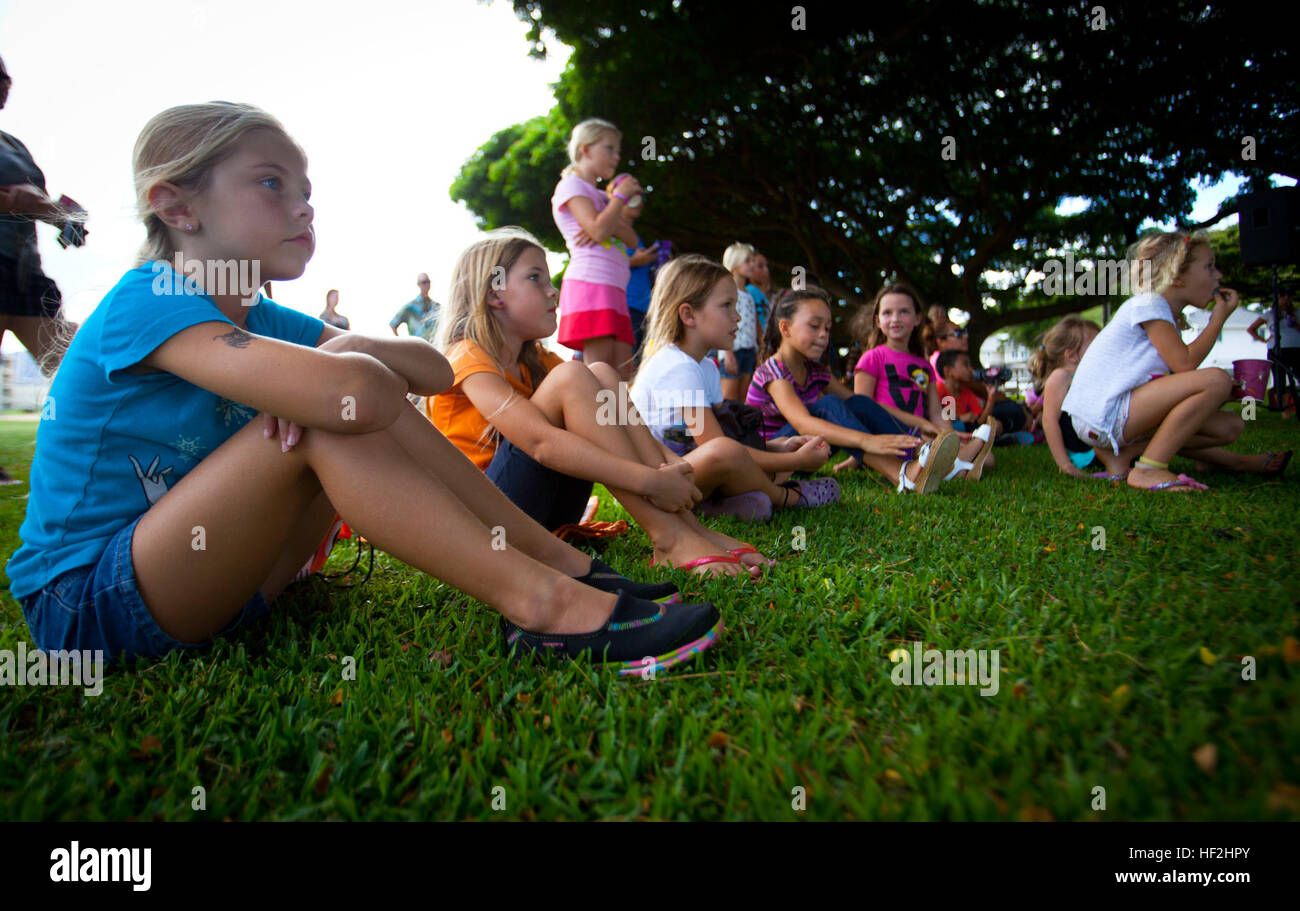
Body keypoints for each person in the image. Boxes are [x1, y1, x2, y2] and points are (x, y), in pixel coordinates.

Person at [6, 102, 721, 676]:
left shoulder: (258, 312)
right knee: (328, 416)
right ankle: (546, 606)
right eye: (270, 183)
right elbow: (368, 397)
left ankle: (559, 560)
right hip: (85, 608)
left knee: (333, 401)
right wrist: (327, 383)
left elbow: (433, 371)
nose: (303, 207)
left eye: (305, 191)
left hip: (222, 583)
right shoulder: (150, 297)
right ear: (178, 206)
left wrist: (337, 354)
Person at [428, 227, 774, 578]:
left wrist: (665, 462)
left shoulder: (538, 361)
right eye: (535, 278)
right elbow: (540, 443)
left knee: (602, 374)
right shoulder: (467, 355)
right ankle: (669, 537)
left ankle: (688, 528)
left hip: (546, 510)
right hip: (485, 523)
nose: (553, 291)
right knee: (576, 377)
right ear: (493, 294)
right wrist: (647, 481)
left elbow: (605, 409)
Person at [1061, 231, 1291, 492]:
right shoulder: (1149, 304)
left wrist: (1223, 395)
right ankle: (1148, 469)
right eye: (1209, 266)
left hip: (1113, 416)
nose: (1219, 275)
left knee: (1230, 427)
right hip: (1106, 414)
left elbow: (1173, 383)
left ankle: (1127, 455)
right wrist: (1219, 318)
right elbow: (1185, 364)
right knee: (1216, 379)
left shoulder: (1161, 313)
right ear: (1178, 276)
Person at [631, 254, 838, 517]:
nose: (737, 318)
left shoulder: (705, 366)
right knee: (727, 453)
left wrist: (778, 447)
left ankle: (710, 506)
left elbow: (727, 433)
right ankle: (787, 497)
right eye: (727, 306)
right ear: (688, 315)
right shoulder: (677, 366)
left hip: (691, 468)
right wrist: (795, 461)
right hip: (659, 483)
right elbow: (718, 448)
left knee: (757, 494)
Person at [748, 285, 964, 493]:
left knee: (858, 403)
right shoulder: (773, 372)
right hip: (776, 458)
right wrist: (868, 441)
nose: (824, 334)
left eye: (827, 328)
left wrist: (922, 424)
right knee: (828, 405)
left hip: (808, 451)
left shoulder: (814, 369)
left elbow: (862, 404)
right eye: (814, 326)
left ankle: (920, 450)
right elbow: (803, 424)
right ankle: (901, 473)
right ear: (785, 328)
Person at [0, 53, 82, 485]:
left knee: (75, 368)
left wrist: (68, 220)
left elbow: (40, 202)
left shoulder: (13, 144)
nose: (4, 84)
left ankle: (90, 453)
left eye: (6, 77)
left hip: (26, 270)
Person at [850, 283, 998, 482]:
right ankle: (952, 464)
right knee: (943, 450)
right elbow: (863, 409)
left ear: (917, 318)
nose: (895, 319)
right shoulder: (872, 358)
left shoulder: (924, 365)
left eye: (904, 312)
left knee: (989, 459)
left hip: (922, 433)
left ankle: (953, 464)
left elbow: (937, 412)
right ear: (877, 320)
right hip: (888, 435)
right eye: (887, 313)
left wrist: (950, 437)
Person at [551, 118, 640, 380]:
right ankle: (597, 421)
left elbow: (632, 239)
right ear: (585, 149)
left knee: (624, 371)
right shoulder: (571, 186)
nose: (616, 156)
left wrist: (607, 215)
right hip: (592, 283)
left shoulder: (601, 196)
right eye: (609, 148)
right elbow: (599, 230)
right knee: (600, 370)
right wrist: (619, 200)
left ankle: (621, 422)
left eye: (617, 150)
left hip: (613, 287)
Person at [1028, 317, 1143, 479]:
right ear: (1072, 355)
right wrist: (1065, 464)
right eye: (1096, 345)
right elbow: (1049, 421)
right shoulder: (1061, 376)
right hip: (1086, 453)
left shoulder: (1092, 375)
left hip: (1102, 443)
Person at [610, 176, 657, 358]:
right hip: (623, 307)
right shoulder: (609, 230)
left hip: (641, 308)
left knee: (634, 366)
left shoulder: (634, 236)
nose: (639, 202)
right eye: (633, 196)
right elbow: (604, 264)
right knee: (623, 366)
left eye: (641, 197)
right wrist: (636, 261)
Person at [716, 242, 761, 402]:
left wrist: (759, 349)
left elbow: (754, 323)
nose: (752, 265)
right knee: (729, 397)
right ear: (734, 264)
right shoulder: (726, 290)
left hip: (749, 350)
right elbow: (721, 320)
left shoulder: (748, 294)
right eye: (747, 261)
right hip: (733, 349)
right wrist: (727, 352)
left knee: (744, 398)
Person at [1247, 284, 1300, 384]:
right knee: (1279, 380)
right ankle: (1281, 398)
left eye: (1289, 296)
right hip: (1276, 349)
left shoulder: (1297, 312)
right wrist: (1264, 340)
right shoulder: (1270, 314)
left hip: (1296, 348)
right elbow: (1251, 329)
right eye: (1283, 296)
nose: (1287, 299)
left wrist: (1295, 323)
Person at [390, 273, 438, 340]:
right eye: (424, 282)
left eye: (428, 282)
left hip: (435, 347)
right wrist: (401, 344)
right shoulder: (410, 307)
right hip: (417, 347)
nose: (426, 285)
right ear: (418, 284)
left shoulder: (437, 307)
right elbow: (393, 324)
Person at [746, 249, 772, 333]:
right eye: (760, 266)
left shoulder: (765, 294)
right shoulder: (750, 291)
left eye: (766, 266)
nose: (766, 270)